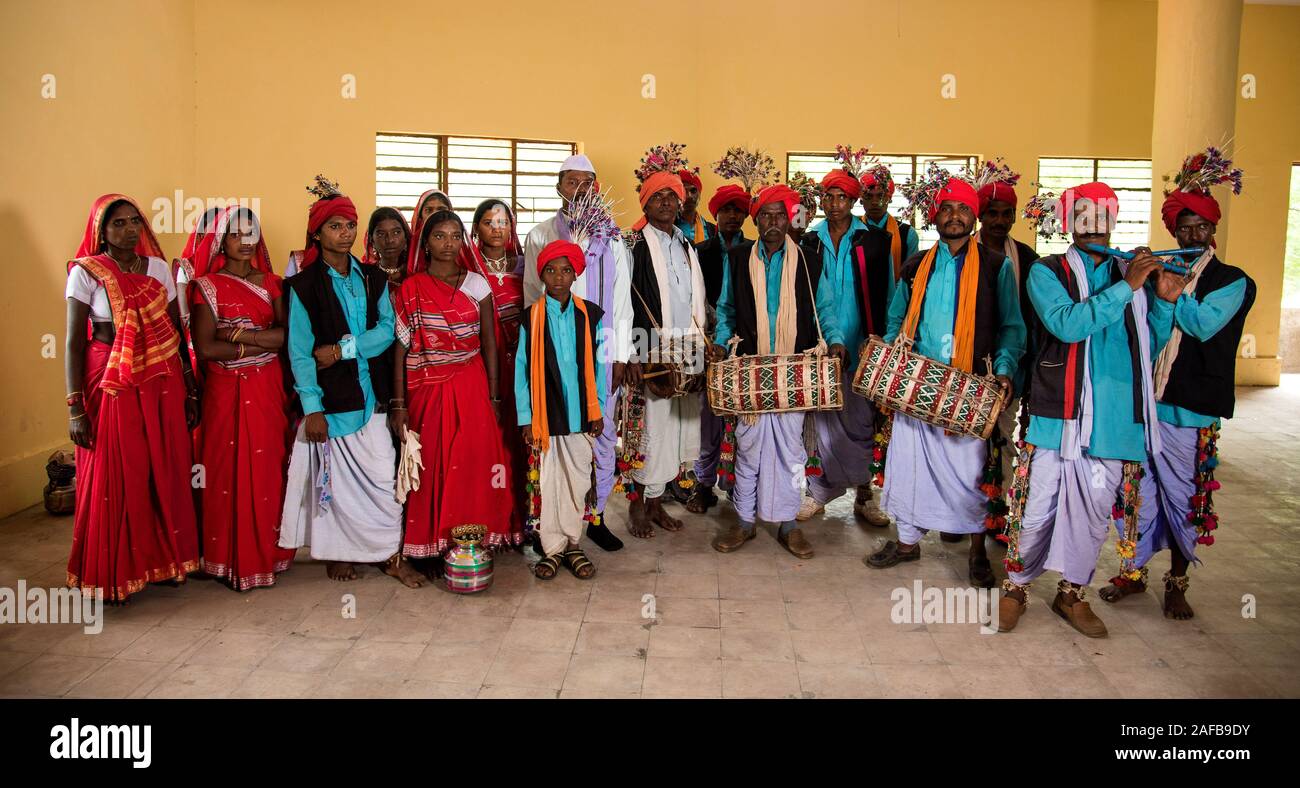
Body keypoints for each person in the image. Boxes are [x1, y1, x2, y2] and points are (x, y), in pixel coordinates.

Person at [999, 182, 1183, 638]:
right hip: (1057, 415)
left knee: (1094, 512)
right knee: (1036, 505)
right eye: (1083, 216)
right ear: (1068, 222)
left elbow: (1149, 345)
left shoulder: (1131, 272)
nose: (1093, 225)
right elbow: (1067, 323)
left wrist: (1164, 301)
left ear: (1113, 222)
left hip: (1117, 420)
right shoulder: (1047, 272)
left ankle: (1071, 593)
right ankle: (1016, 586)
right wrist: (1129, 286)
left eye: (1102, 217)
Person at [1099, 155, 1255, 619]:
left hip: (1191, 408)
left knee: (1187, 496)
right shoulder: (1158, 274)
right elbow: (1143, 331)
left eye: (1201, 227)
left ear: (1213, 230)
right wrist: (1139, 279)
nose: (1192, 236)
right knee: (1137, 491)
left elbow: (1206, 325)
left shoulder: (1234, 282)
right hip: (1147, 403)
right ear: (1174, 231)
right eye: (1184, 228)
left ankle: (1177, 582)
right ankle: (1133, 573)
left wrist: (1169, 292)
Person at [863, 178, 1026, 587]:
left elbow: (1011, 326)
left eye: (963, 209)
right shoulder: (916, 264)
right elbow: (896, 317)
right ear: (933, 214)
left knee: (969, 474)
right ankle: (906, 543)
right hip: (916, 384)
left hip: (967, 389)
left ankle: (976, 553)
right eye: (946, 208)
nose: (954, 216)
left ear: (974, 217)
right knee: (909, 467)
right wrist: (890, 346)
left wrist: (1004, 370)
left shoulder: (995, 266)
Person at [279, 187, 423, 587]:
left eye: (350, 226)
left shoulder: (373, 278)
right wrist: (312, 408)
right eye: (335, 226)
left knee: (382, 477)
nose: (345, 233)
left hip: (372, 397)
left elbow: (386, 331)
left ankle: (389, 554)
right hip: (333, 401)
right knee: (337, 484)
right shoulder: (303, 287)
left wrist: (343, 349)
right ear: (317, 234)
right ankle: (340, 554)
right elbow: (301, 352)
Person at [64, 194, 200, 601]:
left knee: (164, 465)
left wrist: (190, 388)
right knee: (117, 470)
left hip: (161, 378)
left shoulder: (158, 268)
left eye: (134, 222)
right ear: (100, 232)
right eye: (118, 223)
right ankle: (113, 572)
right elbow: (72, 342)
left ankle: (162, 562)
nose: (128, 230)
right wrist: (75, 406)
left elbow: (176, 332)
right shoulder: (87, 273)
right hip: (111, 378)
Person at [710, 185, 845, 558]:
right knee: (749, 449)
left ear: (790, 219)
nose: (773, 223)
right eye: (765, 216)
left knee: (791, 452)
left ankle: (788, 526)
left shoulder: (809, 261)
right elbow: (725, 310)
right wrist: (722, 343)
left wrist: (834, 341)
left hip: (794, 371)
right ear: (756, 220)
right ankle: (743, 523)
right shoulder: (737, 258)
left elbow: (825, 310)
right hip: (749, 369)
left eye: (779, 215)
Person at [391, 209, 521, 564]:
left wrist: (495, 395)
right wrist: (398, 404)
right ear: (426, 243)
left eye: (454, 236)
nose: (447, 243)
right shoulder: (411, 288)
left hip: (472, 382)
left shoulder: (477, 285)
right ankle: (432, 544)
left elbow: (490, 345)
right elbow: (400, 350)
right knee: (433, 462)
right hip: (427, 387)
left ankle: (478, 535)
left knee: (478, 461)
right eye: (439, 236)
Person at [522, 155, 632, 551]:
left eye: (588, 182)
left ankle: (596, 516)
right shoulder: (540, 235)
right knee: (555, 438)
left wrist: (620, 355)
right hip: (555, 357)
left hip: (601, 355)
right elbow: (532, 298)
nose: (580, 189)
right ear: (559, 187)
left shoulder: (614, 239)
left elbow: (621, 302)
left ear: (597, 188)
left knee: (600, 436)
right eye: (572, 182)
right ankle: (551, 524)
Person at [188, 207, 296, 590]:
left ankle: (266, 554)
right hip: (225, 390)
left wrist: (236, 335)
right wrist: (258, 340)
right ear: (222, 241)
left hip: (266, 386)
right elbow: (205, 348)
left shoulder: (274, 284)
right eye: (236, 234)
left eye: (251, 233)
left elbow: (286, 337)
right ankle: (224, 558)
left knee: (267, 465)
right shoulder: (207, 286)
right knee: (223, 467)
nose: (245, 241)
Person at [796, 169, 893, 527]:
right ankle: (818, 491)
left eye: (842, 197)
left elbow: (889, 294)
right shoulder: (810, 240)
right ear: (822, 201)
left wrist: (883, 338)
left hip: (862, 344)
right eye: (830, 197)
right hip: (821, 346)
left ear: (853, 202)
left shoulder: (875, 241)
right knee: (820, 420)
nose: (835, 204)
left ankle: (865, 494)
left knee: (863, 419)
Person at [623, 171, 708, 537]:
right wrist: (629, 354)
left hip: (685, 350)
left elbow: (696, 299)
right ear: (645, 202)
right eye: (658, 197)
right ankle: (637, 506)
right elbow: (621, 302)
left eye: (672, 197)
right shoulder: (632, 244)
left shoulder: (686, 245)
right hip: (649, 347)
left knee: (675, 428)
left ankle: (656, 504)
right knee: (649, 430)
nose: (666, 203)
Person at [517, 240, 606, 579]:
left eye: (565, 270)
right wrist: (526, 417)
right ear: (541, 275)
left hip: (582, 413)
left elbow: (600, 365)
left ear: (575, 275)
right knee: (550, 482)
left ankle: (574, 544)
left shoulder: (590, 314)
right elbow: (522, 370)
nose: (558, 277)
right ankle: (552, 548)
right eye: (551, 271)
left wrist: (597, 410)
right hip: (546, 414)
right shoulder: (531, 318)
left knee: (578, 480)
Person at [460, 199, 528, 532]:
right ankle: (495, 520)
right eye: (489, 222)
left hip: (524, 365)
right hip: (485, 364)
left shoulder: (526, 266)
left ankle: (523, 520)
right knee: (492, 441)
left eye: (503, 222)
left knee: (522, 439)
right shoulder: (468, 269)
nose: (497, 229)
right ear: (476, 229)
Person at [685, 184, 752, 513]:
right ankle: (704, 482)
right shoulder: (701, 251)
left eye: (738, 210)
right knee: (708, 416)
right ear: (716, 213)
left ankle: (740, 484)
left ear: (745, 215)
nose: (732, 215)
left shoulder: (754, 250)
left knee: (744, 415)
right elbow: (693, 299)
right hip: (708, 344)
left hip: (746, 343)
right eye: (726, 210)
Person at [974, 174, 1040, 491]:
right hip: (969, 364)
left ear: (1014, 216)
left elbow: (1031, 317)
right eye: (992, 213)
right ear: (980, 215)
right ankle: (964, 516)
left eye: (1006, 214)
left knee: (1002, 434)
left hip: (1012, 368)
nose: (999, 221)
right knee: (967, 440)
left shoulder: (1028, 260)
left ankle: (997, 511)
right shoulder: (963, 255)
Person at [860, 164, 920, 277]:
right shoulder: (852, 231)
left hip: (897, 294)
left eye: (880, 196)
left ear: (890, 198)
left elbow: (910, 276)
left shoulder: (907, 234)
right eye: (868, 196)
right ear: (861, 200)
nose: (875, 202)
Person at [674, 169, 716, 245]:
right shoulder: (667, 226)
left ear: (699, 195)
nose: (689, 196)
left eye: (693, 191)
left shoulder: (712, 230)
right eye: (683, 191)